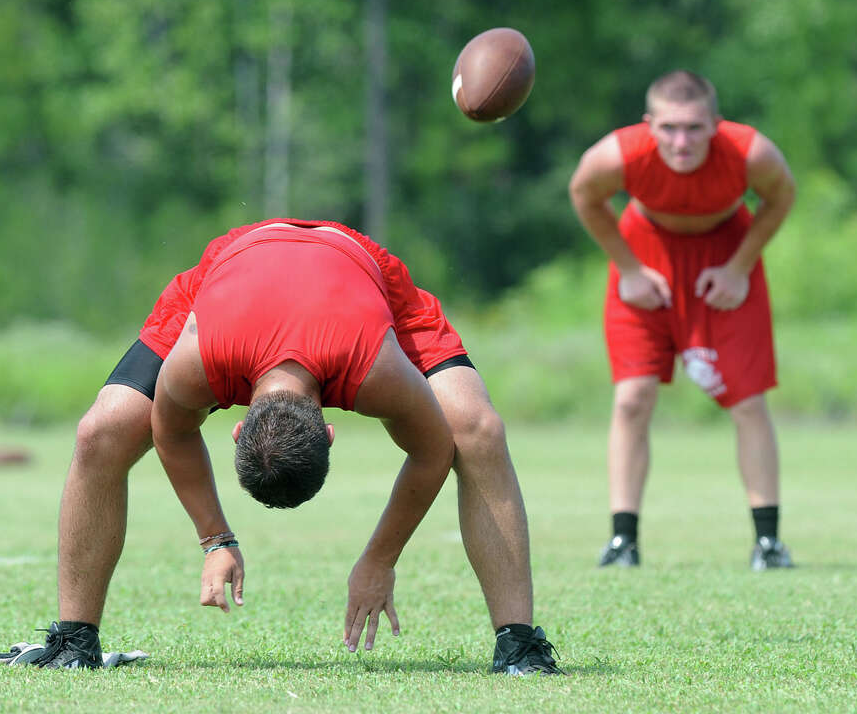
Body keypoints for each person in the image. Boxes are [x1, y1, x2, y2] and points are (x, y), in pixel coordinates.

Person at [29, 219, 561, 675]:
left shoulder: (375, 366)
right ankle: (74, 642)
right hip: (233, 265)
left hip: (355, 265)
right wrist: (214, 540)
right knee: (101, 432)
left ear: (233, 422)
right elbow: (169, 428)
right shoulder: (197, 360)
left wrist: (380, 559)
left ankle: (520, 646)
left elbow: (435, 447)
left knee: (477, 430)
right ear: (334, 426)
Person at [567, 70, 797, 571]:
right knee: (632, 398)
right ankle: (622, 542)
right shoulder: (618, 155)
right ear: (649, 124)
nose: (681, 141)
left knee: (748, 401)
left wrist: (739, 268)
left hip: (726, 252)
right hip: (644, 252)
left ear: (717, 124)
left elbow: (781, 197)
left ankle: (769, 544)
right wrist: (628, 268)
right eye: (669, 128)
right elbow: (584, 195)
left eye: (694, 128)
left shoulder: (750, 152)